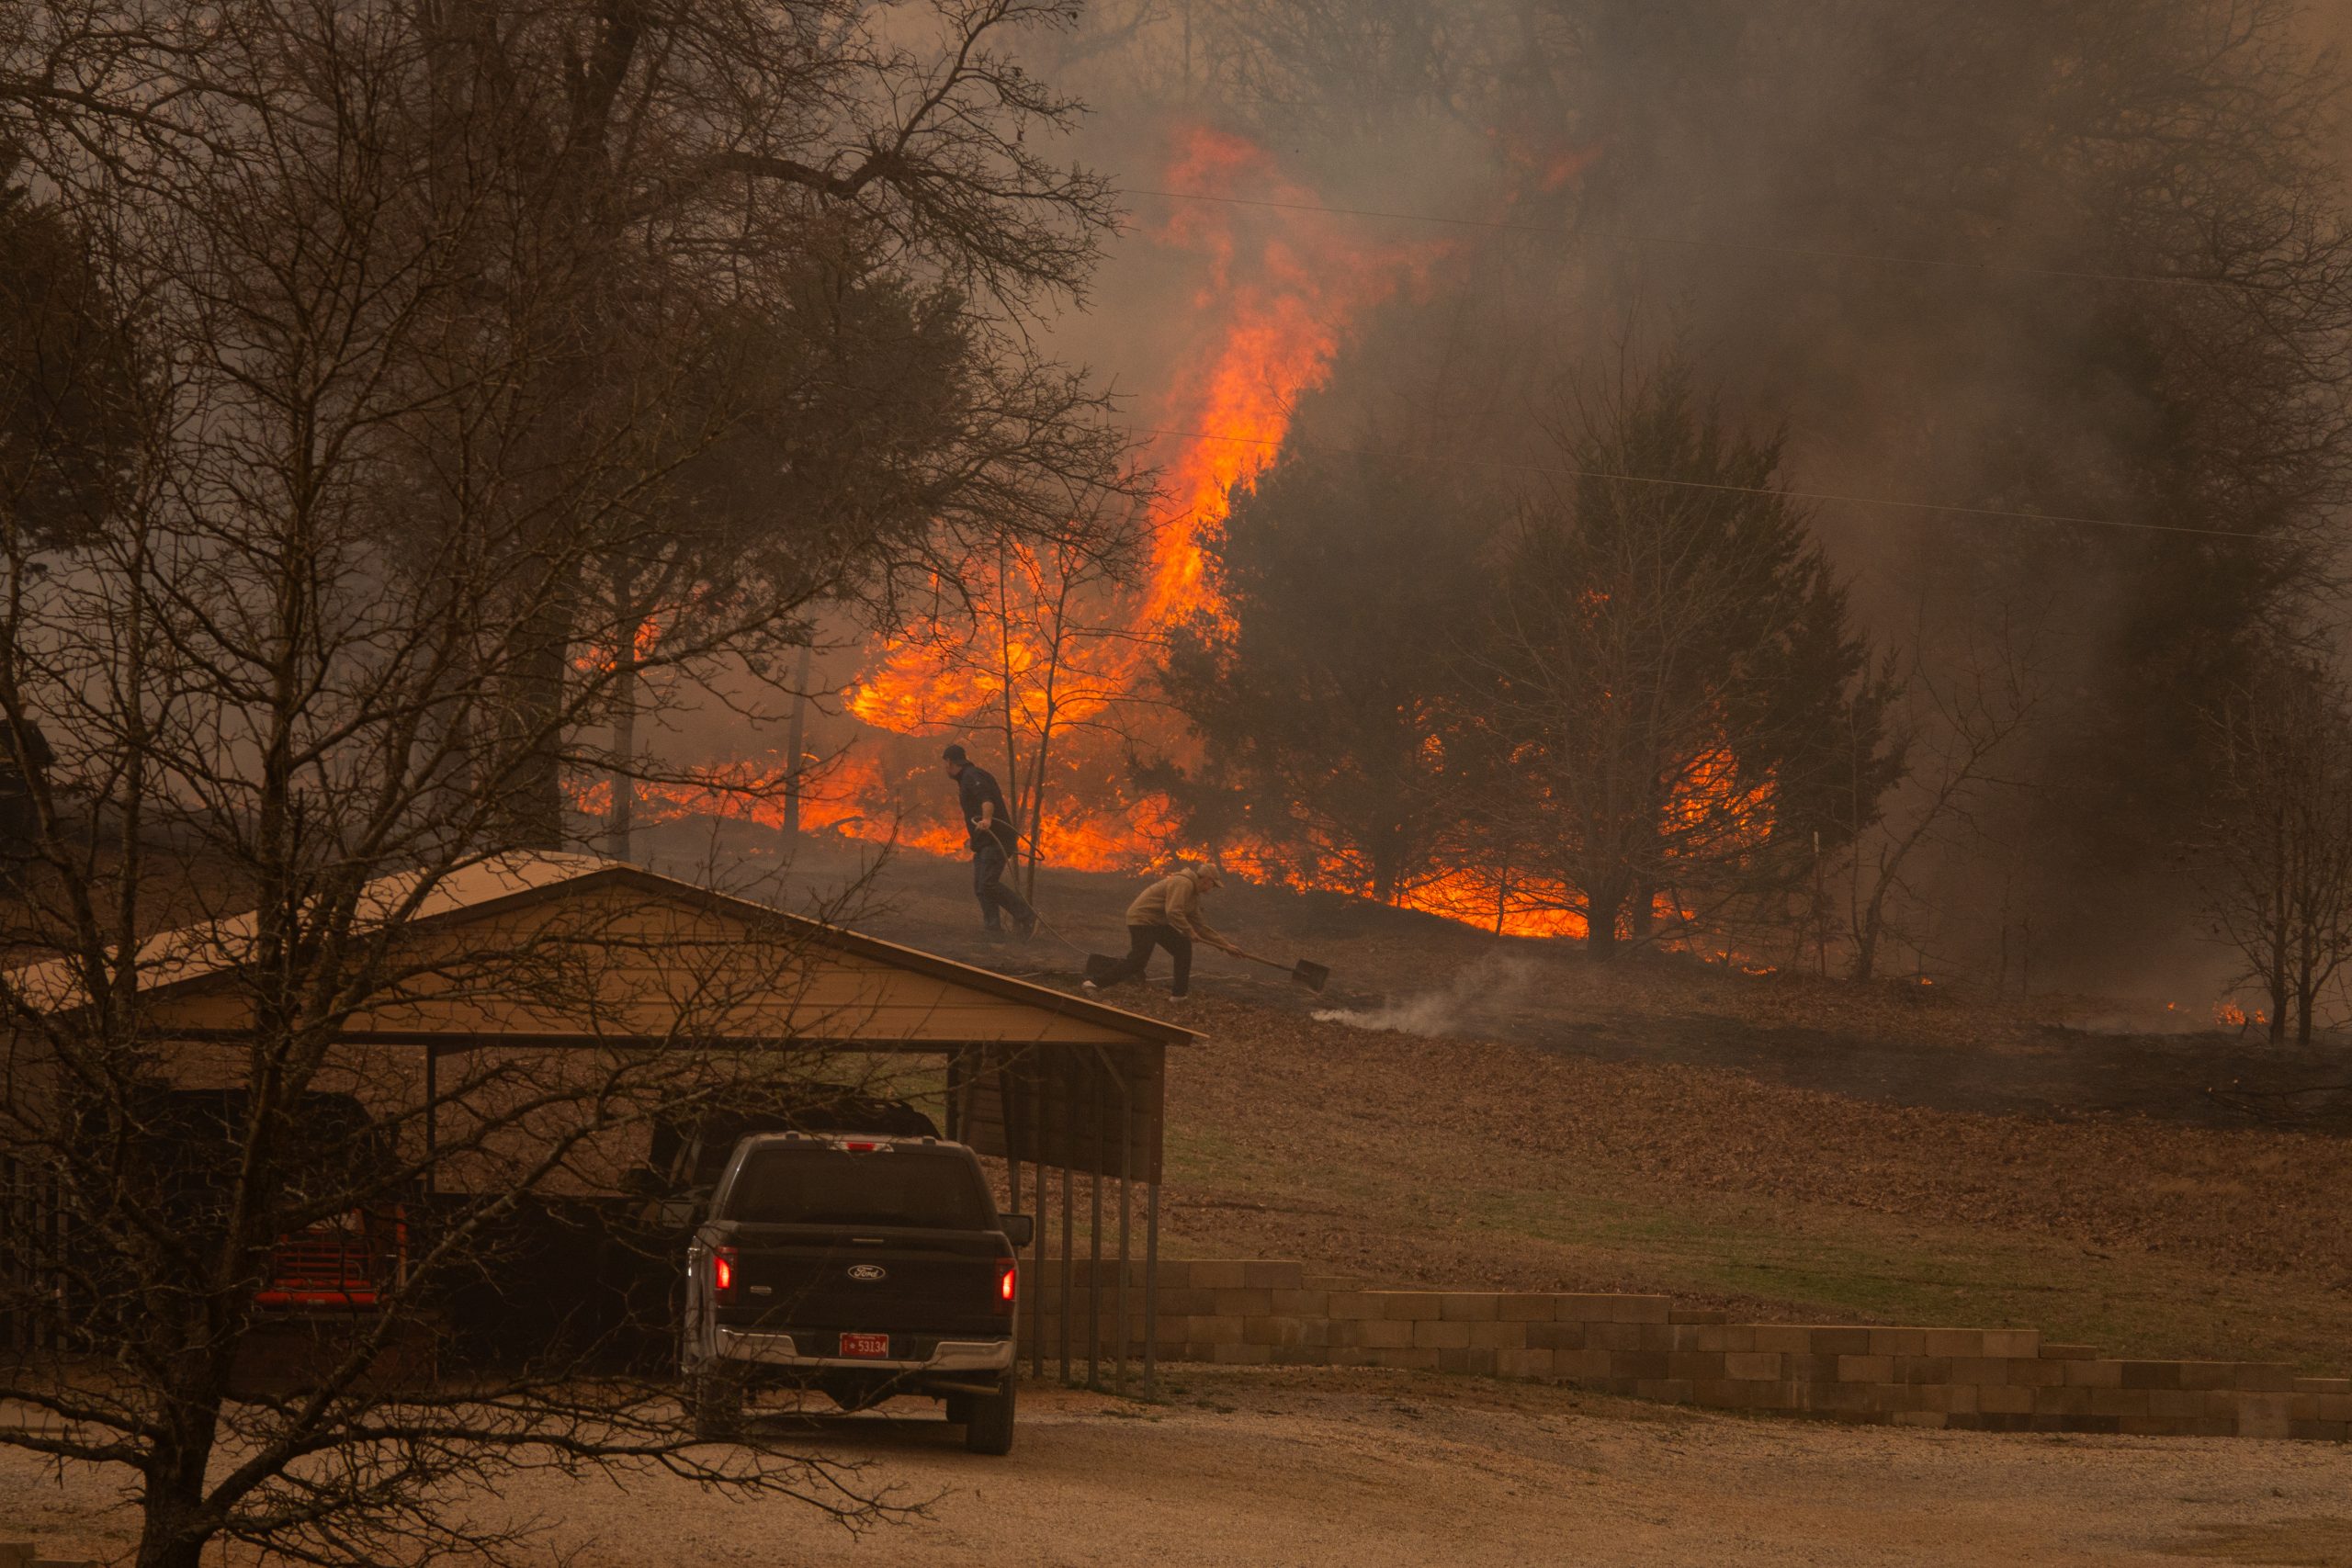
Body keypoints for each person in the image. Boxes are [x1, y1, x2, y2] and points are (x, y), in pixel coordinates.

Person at [1084, 864, 1236, 999]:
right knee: (1138, 961)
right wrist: (1189, 931)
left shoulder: (1193, 896)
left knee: (1183, 947)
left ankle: (1179, 996)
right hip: (1142, 919)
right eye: (1213, 885)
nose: (1211, 889)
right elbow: (1173, 912)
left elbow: (1201, 927)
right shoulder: (1183, 883)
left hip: (1157, 922)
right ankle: (1093, 983)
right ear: (1207, 880)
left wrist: (1226, 946)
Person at [943, 742, 1035, 938]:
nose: (945, 768)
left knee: (987, 884)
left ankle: (1027, 916)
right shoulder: (970, 776)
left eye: (945, 764)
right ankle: (993, 930)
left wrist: (986, 819)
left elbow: (986, 799)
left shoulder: (972, 776)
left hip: (996, 840)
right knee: (981, 887)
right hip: (985, 842)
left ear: (950, 762)